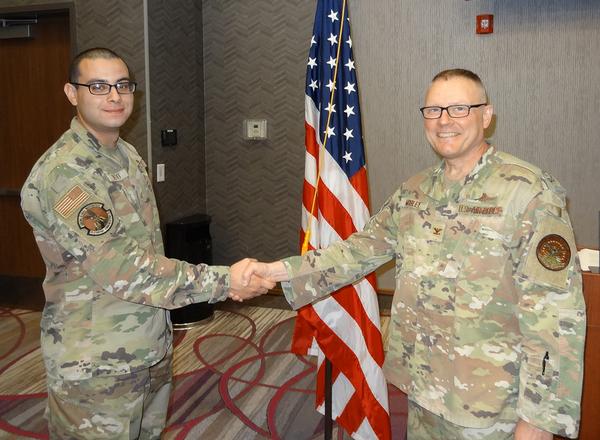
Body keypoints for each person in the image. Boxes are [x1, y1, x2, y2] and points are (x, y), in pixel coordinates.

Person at [236, 69, 586, 439]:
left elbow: (556, 316)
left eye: (459, 108)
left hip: (491, 408)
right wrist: (275, 272)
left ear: (486, 115)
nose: (444, 121)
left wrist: (538, 422)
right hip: (424, 391)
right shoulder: (414, 192)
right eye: (433, 110)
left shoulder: (529, 194)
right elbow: (354, 254)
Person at [20, 47, 272, 439]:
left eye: (123, 85)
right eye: (98, 86)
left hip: (147, 345)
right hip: (96, 364)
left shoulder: (126, 155)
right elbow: (125, 269)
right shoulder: (65, 174)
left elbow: (147, 250)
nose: (114, 96)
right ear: (72, 93)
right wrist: (225, 280)